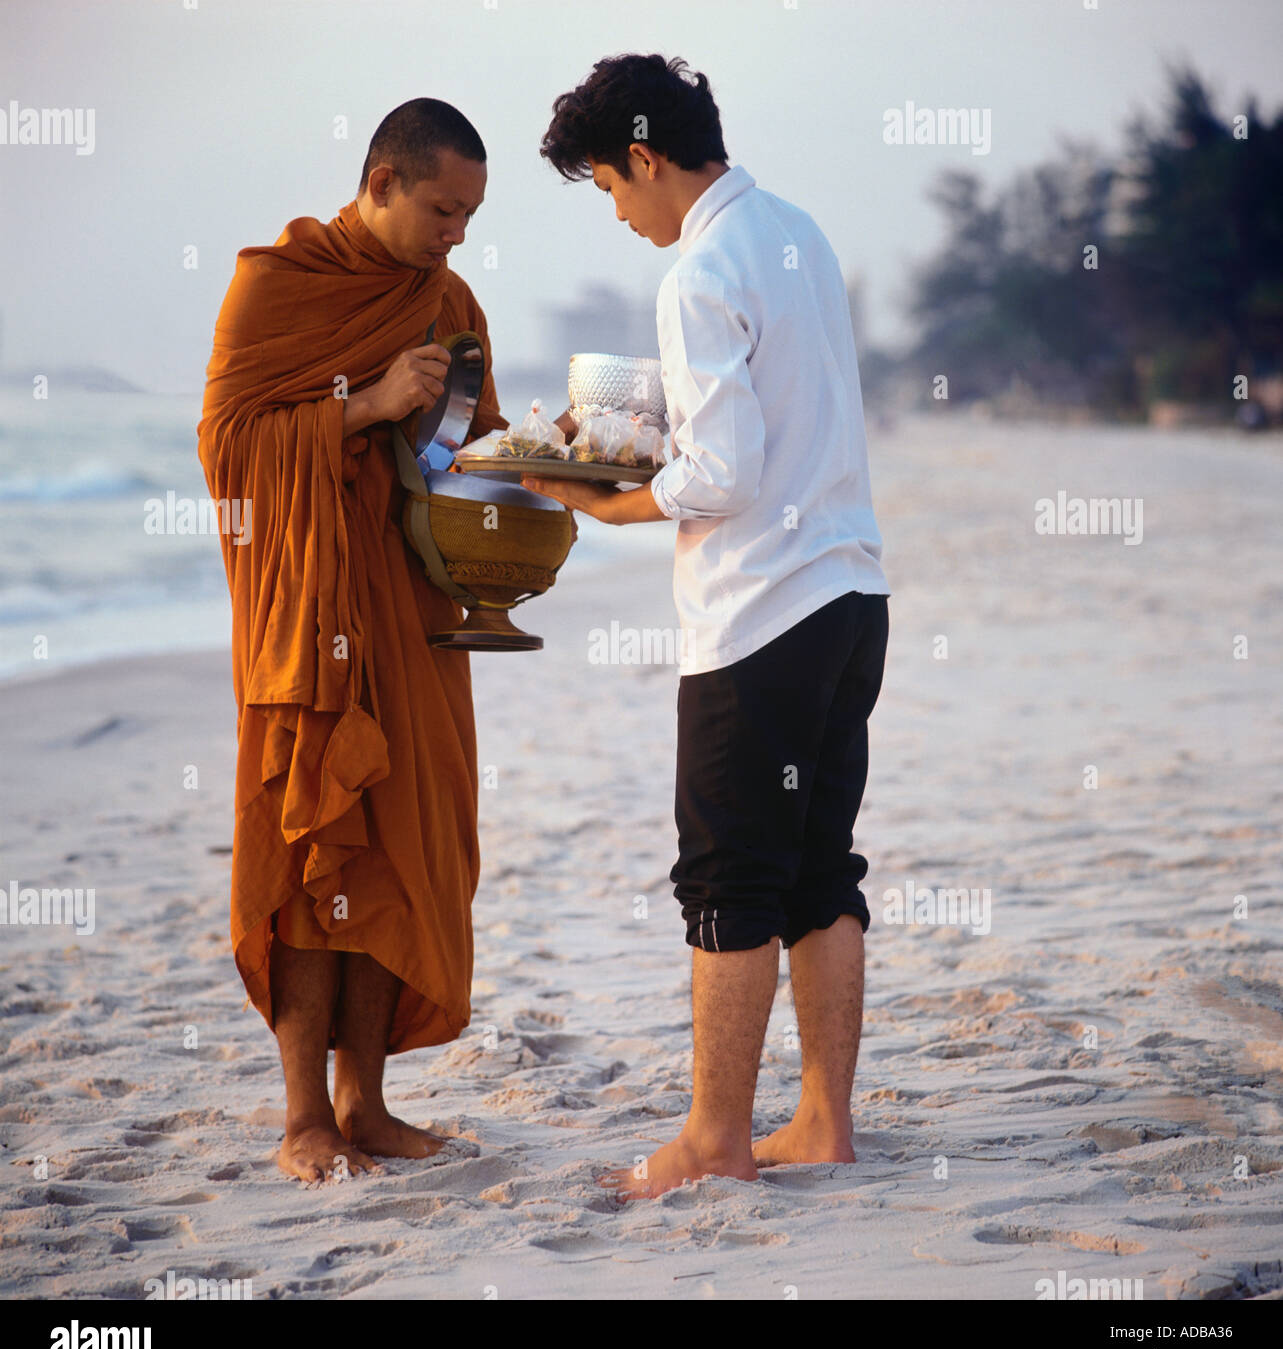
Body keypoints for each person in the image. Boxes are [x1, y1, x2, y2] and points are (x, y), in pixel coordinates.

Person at [529, 55, 892, 1200]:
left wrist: (602, 495)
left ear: (643, 157)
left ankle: (713, 1139)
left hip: (756, 617)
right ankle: (822, 1122)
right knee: (820, 867)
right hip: (848, 596)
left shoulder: (696, 272)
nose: (621, 217)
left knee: (728, 875)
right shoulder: (797, 233)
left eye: (608, 189)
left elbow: (721, 473)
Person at [198, 99, 511, 1183]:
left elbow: (473, 453)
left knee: (397, 843)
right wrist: (366, 400)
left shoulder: (447, 298)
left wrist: (537, 455)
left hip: (415, 614)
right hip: (304, 612)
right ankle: (302, 1119)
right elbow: (229, 450)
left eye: (469, 214)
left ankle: (365, 1103)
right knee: (307, 846)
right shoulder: (275, 285)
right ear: (380, 182)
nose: (454, 234)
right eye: (440, 208)